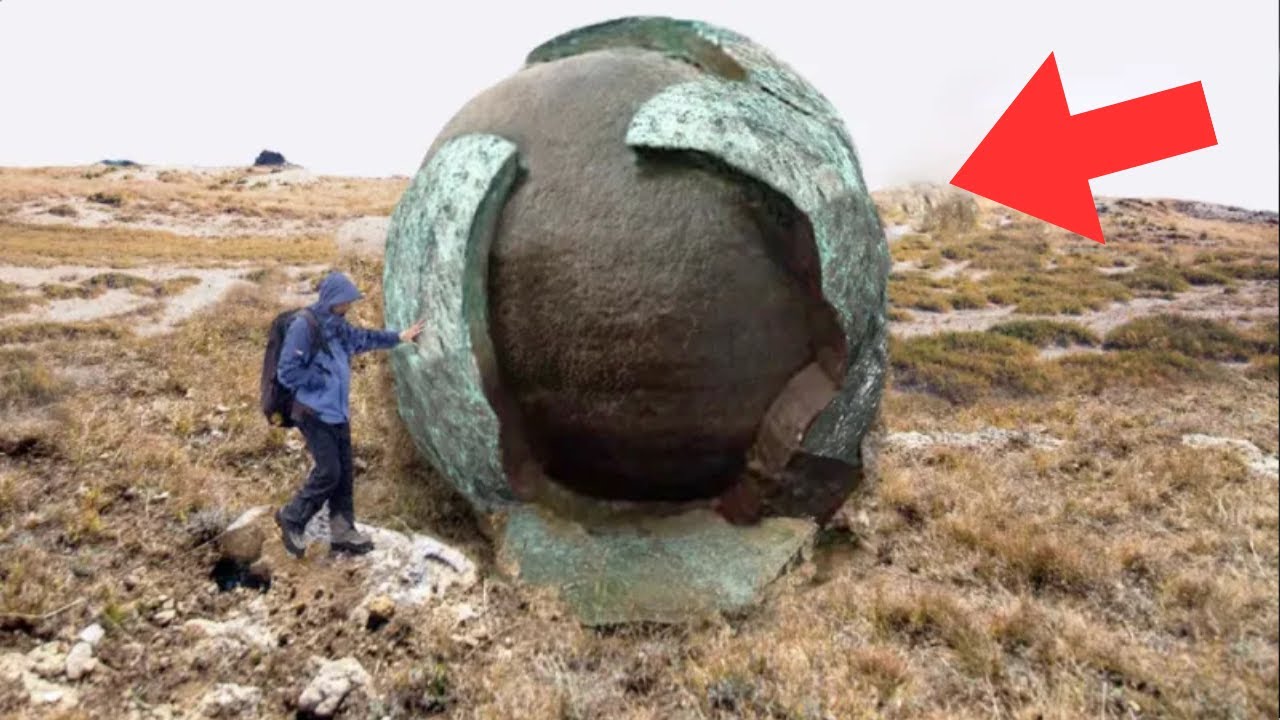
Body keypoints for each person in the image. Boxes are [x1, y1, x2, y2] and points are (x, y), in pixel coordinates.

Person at [273, 271, 425, 557]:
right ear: (332, 299)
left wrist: (400, 338)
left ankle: (343, 532)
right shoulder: (304, 327)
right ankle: (292, 517)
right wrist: (318, 381)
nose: (349, 306)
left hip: (337, 414)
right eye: (345, 301)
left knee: (343, 476)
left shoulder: (339, 327)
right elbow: (287, 371)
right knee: (329, 472)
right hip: (313, 413)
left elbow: (364, 339)